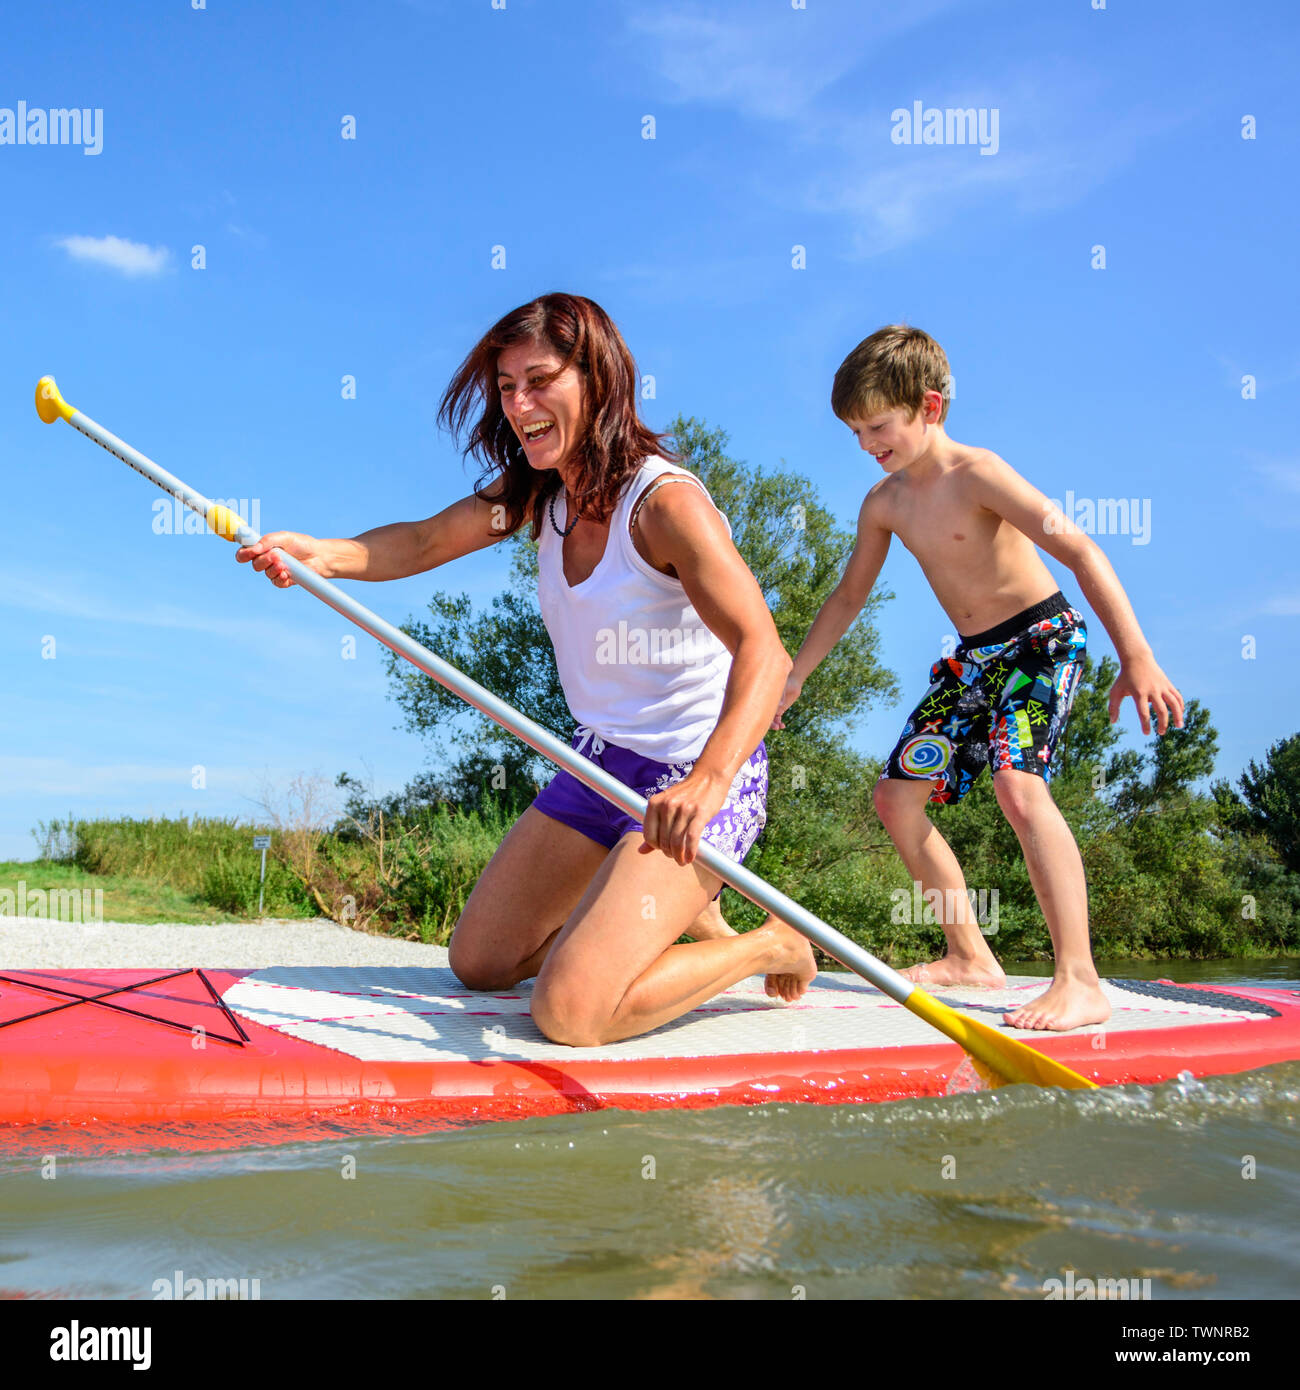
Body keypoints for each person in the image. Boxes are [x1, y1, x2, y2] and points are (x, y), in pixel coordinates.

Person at [237, 292, 815, 1045]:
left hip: (697, 779)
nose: (519, 404)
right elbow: (420, 541)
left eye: (539, 380)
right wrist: (324, 555)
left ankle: (764, 943)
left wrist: (705, 785)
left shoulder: (665, 506)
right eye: (507, 388)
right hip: (603, 765)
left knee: (570, 1013)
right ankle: (651, 922)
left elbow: (764, 652)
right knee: (481, 962)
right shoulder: (541, 494)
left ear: (597, 380)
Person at [773, 324, 1184, 1031]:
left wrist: (1136, 656)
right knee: (895, 800)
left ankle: (1079, 979)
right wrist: (793, 677)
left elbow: (1080, 550)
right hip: (972, 661)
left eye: (879, 425)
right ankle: (970, 955)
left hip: (1038, 644)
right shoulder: (886, 504)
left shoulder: (981, 475)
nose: (868, 444)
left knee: (1017, 789)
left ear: (929, 406)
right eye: (855, 432)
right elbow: (848, 597)